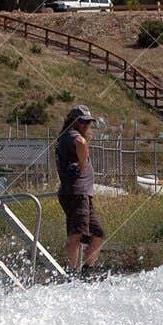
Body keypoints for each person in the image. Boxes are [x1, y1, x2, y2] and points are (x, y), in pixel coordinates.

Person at [55, 104, 104, 274]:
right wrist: (83, 164)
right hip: (76, 193)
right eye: (82, 122)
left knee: (97, 234)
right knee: (75, 234)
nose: (85, 125)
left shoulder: (67, 136)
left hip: (83, 194)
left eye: (88, 122)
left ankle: (87, 271)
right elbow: (80, 142)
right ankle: (71, 272)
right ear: (72, 121)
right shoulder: (71, 134)